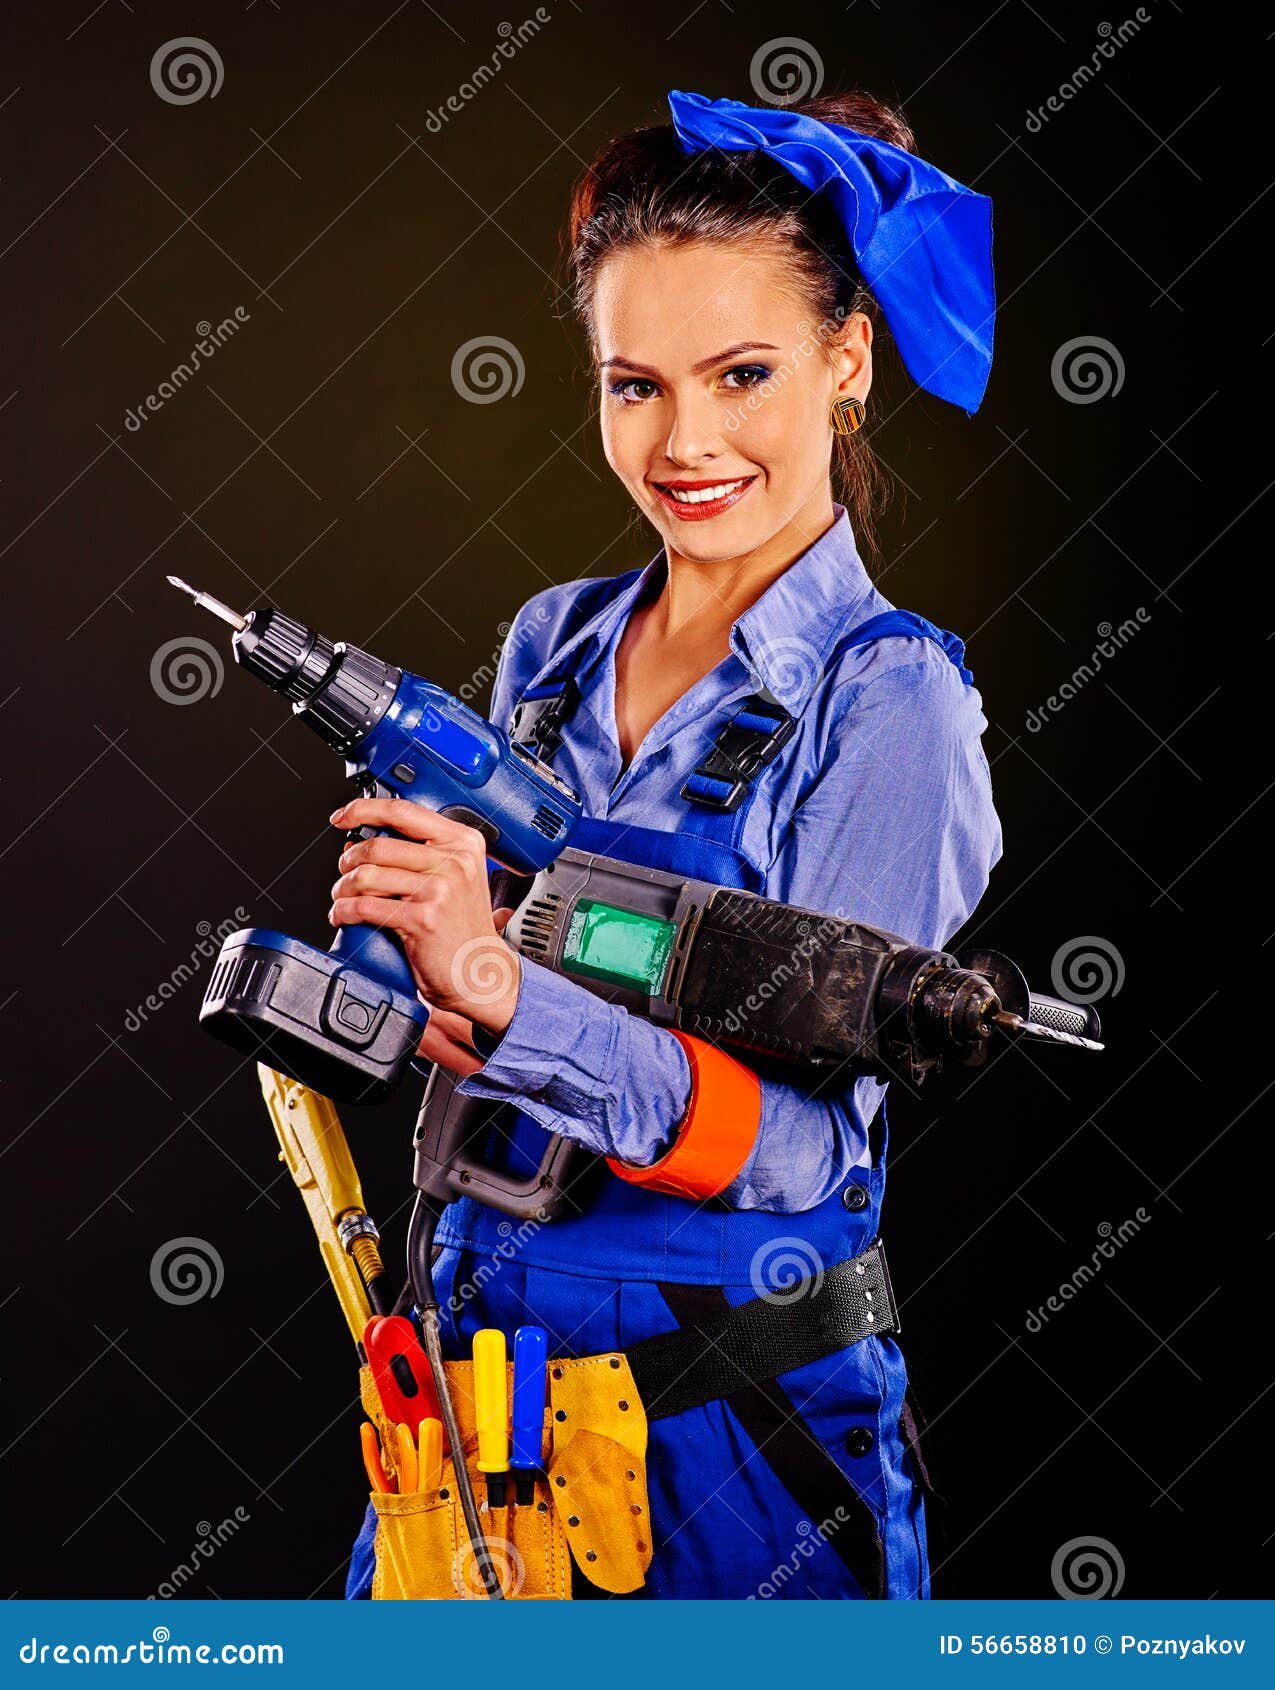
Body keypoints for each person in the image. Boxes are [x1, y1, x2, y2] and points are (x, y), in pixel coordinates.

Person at [334, 87, 1001, 1600]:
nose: (685, 442)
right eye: (634, 385)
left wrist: (509, 989)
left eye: (742, 373)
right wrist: (422, 973)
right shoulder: (553, 645)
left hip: (728, 1449)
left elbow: (794, 1154)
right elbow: (493, 1024)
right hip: (466, 1405)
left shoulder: (890, 701)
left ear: (847, 361)